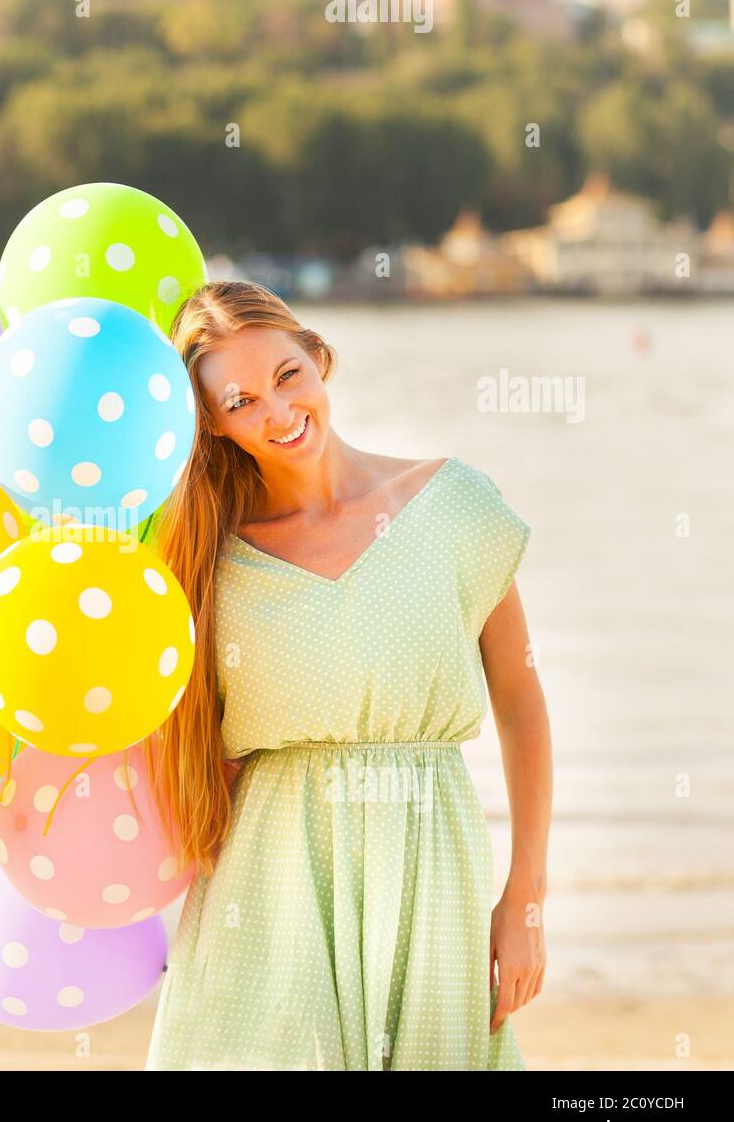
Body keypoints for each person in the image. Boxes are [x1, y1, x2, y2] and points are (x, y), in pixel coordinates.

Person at [142, 281, 552, 1070]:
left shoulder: (452, 504)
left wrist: (525, 895)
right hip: (269, 886)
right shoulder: (205, 560)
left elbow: (521, 698)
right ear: (213, 424)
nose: (277, 411)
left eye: (288, 376)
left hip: (429, 864)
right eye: (241, 401)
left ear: (319, 358)